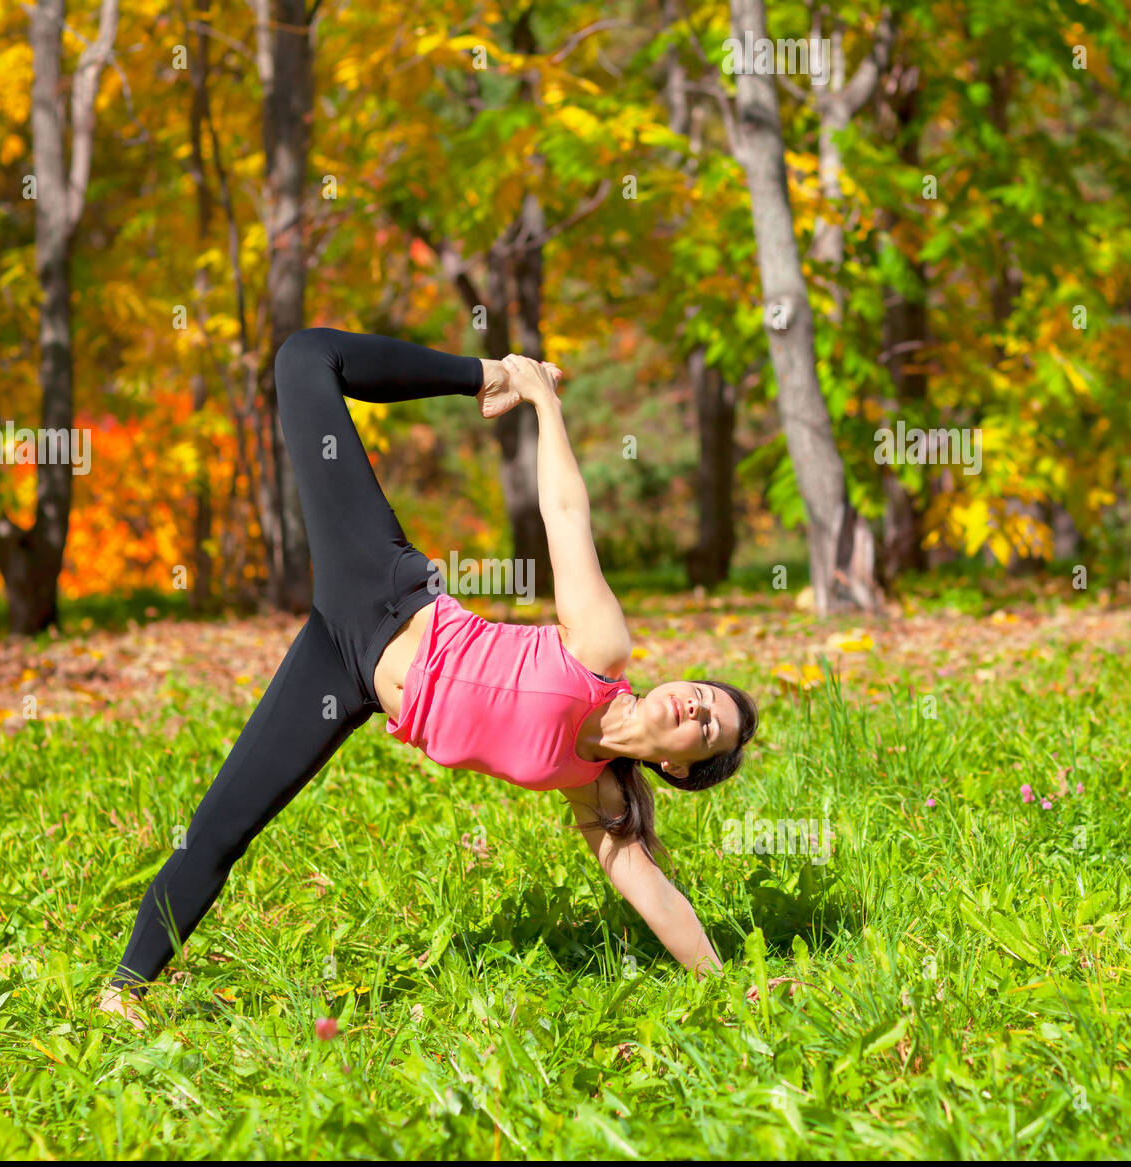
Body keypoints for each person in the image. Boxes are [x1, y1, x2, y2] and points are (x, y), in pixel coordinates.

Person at [99, 328, 757, 1028]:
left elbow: (655, 894)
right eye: (707, 693)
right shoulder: (602, 649)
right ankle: (480, 376)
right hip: (380, 594)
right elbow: (566, 514)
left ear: (676, 766)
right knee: (303, 359)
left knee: (225, 821)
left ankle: (120, 991)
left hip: (343, 669)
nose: (698, 705)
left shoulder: (592, 787)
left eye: (709, 727)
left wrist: (721, 985)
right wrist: (540, 401)